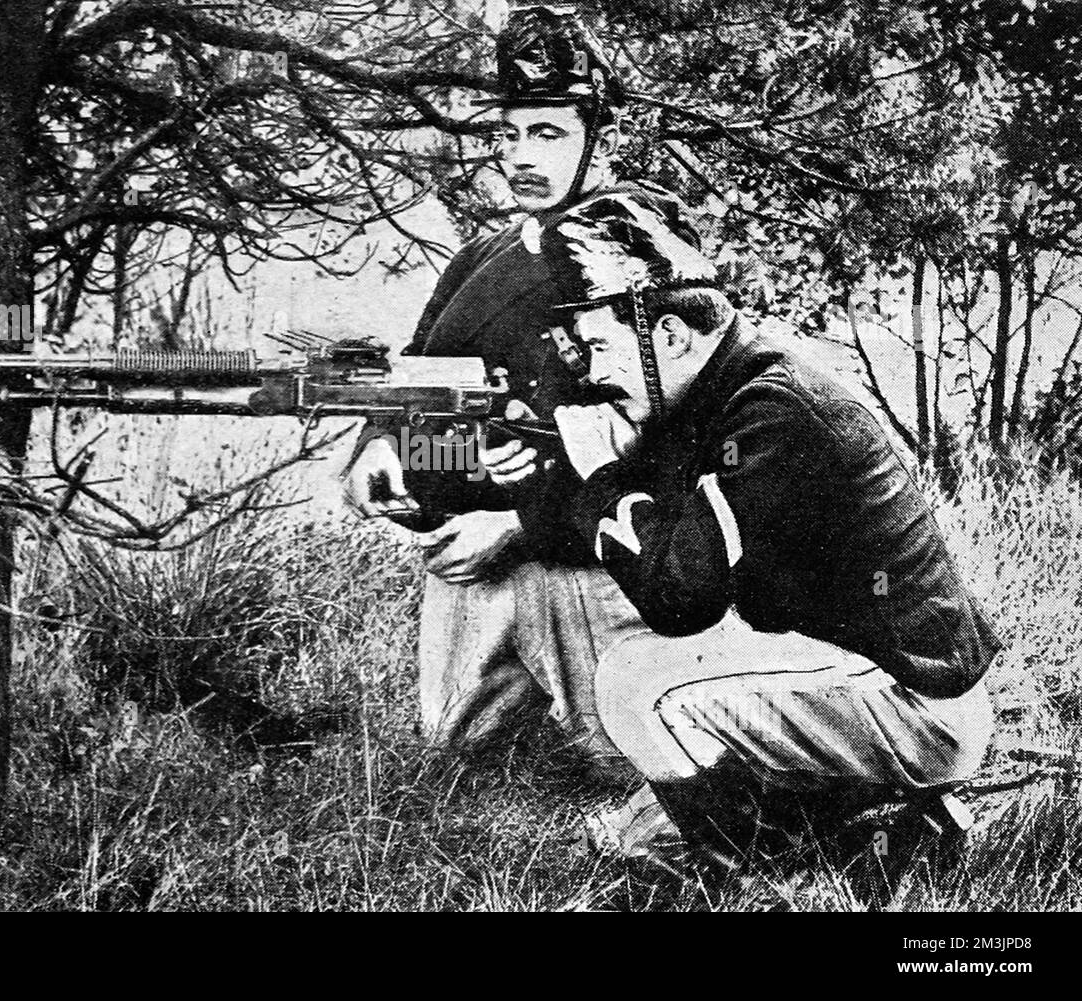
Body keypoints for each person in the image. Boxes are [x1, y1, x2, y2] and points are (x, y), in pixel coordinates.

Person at [487, 190, 1002, 861]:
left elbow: (679, 600)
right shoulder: (734, 384)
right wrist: (548, 473)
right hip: (878, 672)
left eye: (602, 345)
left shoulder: (770, 410)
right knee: (649, 793)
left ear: (670, 336)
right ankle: (831, 820)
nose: (596, 368)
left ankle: (772, 869)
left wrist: (601, 476)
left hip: (917, 708)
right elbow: (663, 539)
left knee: (634, 679)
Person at [342, 5, 697, 780]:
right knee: (453, 756)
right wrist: (379, 443)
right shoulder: (481, 255)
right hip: (473, 555)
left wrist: (515, 523)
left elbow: (669, 431)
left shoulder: (641, 244)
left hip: (596, 559)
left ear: (597, 138)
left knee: (638, 760)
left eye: (548, 134)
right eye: (509, 135)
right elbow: (421, 371)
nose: (521, 157)